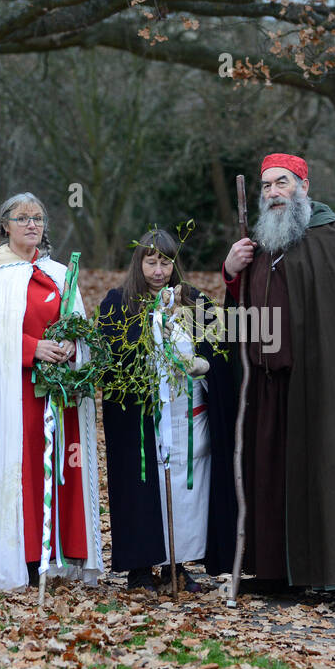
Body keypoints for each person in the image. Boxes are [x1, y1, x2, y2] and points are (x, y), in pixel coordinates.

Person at [222, 153, 335, 603]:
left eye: (281, 183)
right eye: (265, 186)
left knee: (333, 471)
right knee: (270, 478)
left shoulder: (334, 239)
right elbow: (239, 322)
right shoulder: (262, 243)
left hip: (326, 385)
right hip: (270, 387)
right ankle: (274, 572)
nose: (272, 193)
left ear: (303, 185)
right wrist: (231, 273)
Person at [0, 193, 102, 591]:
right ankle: (19, 554)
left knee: (53, 466)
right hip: (10, 392)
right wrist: (31, 348)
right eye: (22, 218)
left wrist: (73, 347)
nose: (31, 224)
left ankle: (55, 552)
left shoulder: (58, 274)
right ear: (5, 225)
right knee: (19, 470)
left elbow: (77, 325)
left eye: (38, 218)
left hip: (57, 395)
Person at [98, 229, 236, 592]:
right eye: (151, 261)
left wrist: (203, 364)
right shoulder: (118, 303)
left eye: (166, 262)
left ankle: (178, 563)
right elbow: (112, 355)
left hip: (187, 414)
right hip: (142, 417)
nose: (159, 271)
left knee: (185, 491)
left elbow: (220, 348)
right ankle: (141, 566)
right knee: (143, 487)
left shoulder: (194, 301)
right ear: (138, 262)